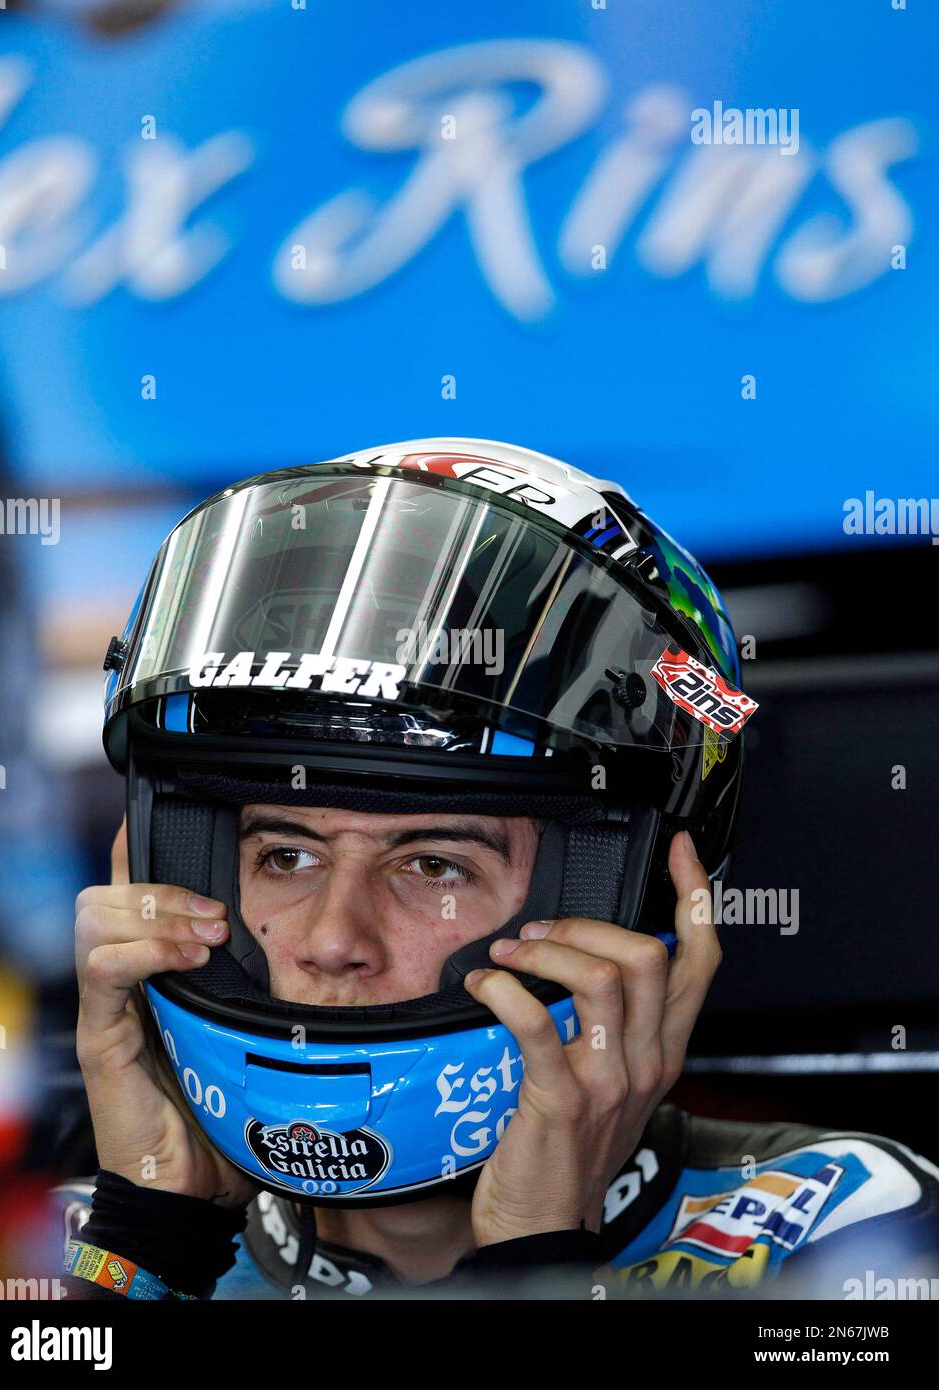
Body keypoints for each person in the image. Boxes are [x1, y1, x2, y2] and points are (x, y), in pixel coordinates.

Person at [54, 438, 939, 1300]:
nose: (331, 942)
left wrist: (534, 1263)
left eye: (434, 865)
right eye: (287, 855)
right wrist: (152, 1237)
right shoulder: (91, 1249)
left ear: (632, 899)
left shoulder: (838, 1231)